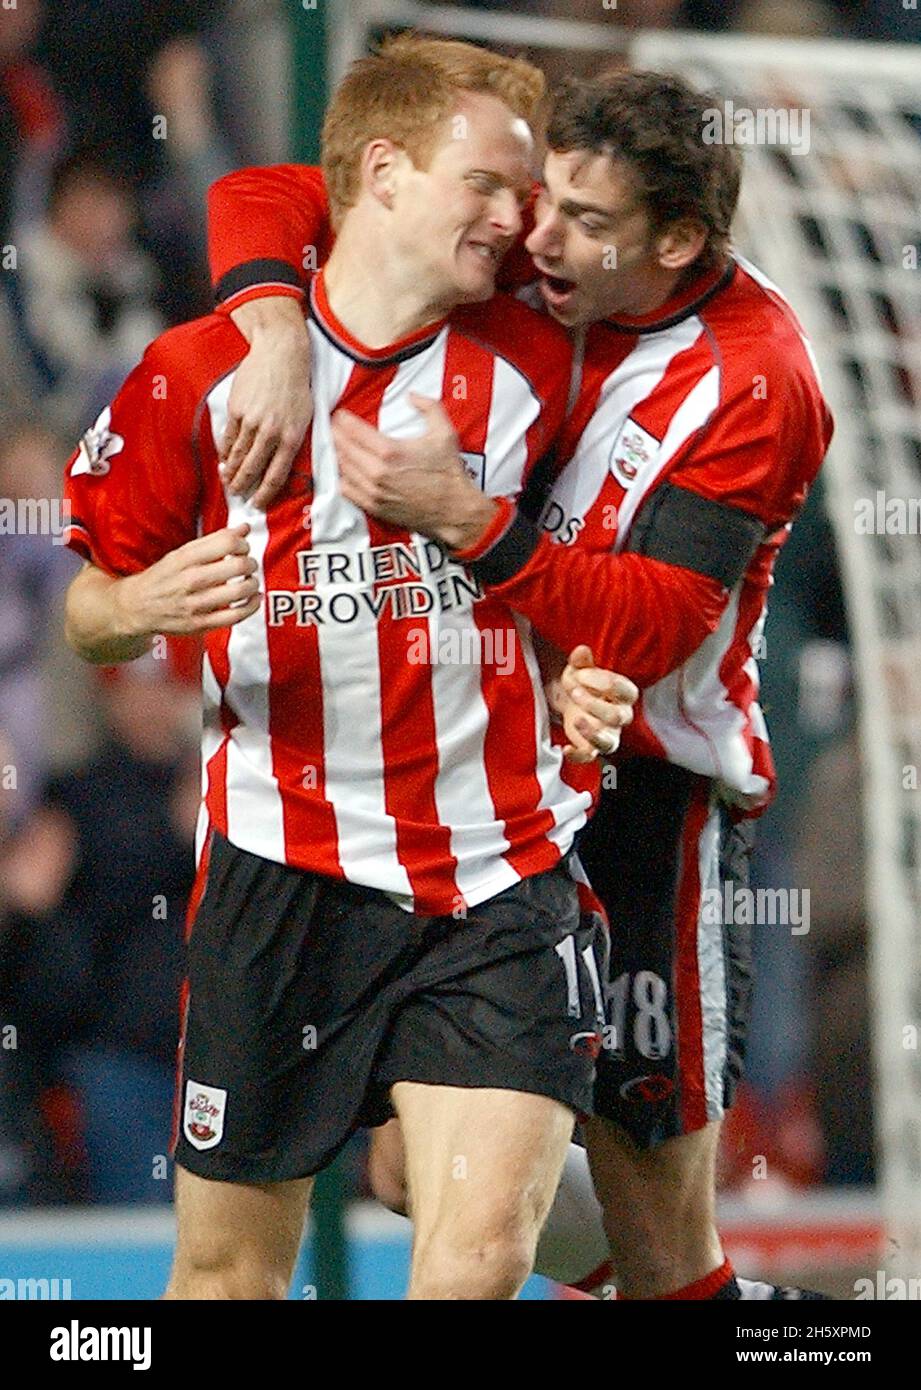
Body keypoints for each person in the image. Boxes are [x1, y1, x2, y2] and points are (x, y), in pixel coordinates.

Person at [206, 64, 834, 1299]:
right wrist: (273, 323)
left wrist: (465, 522)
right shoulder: (530, 277)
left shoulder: (756, 380)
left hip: (652, 805)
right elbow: (267, 189)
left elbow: (652, 625)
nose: (536, 233)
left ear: (680, 241)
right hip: (491, 787)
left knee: (649, 1202)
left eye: (589, 226)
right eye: (544, 198)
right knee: (408, 1170)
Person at [62, 35, 634, 1301]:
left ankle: (663, 1263)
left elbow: (589, 565)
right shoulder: (201, 373)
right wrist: (136, 602)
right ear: (381, 172)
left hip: (497, 871)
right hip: (282, 872)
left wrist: (580, 664)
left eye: (525, 191)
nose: (517, 217)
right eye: (487, 184)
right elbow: (89, 611)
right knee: (224, 1275)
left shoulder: (541, 355)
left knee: (480, 1258)